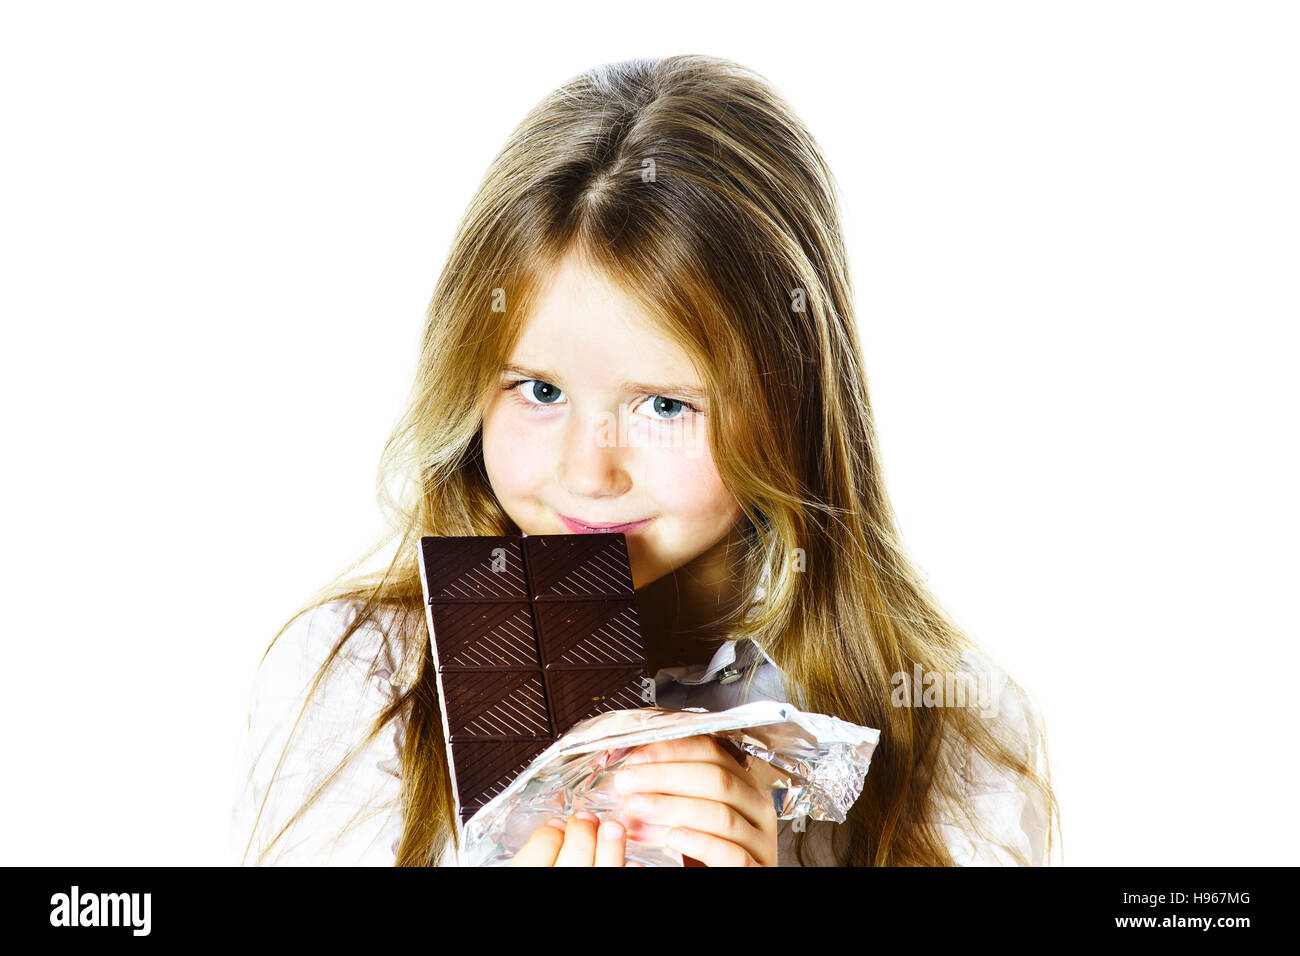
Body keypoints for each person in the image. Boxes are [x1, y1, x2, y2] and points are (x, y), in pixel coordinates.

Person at [232, 54, 1061, 867]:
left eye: (664, 406)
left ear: (792, 400)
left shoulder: (952, 731)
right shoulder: (366, 684)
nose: (590, 473)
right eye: (539, 391)